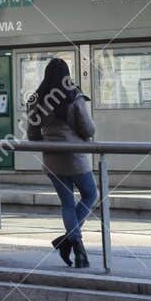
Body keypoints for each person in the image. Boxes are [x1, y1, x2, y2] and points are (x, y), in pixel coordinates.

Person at [25, 56, 96, 270]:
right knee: (91, 195)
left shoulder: (36, 100)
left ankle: (76, 247)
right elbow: (89, 130)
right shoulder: (74, 96)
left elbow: (32, 135)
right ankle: (70, 241)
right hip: (75, 157)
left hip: (52, 160)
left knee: (67, 204)